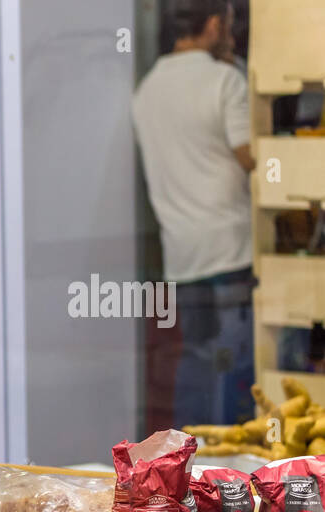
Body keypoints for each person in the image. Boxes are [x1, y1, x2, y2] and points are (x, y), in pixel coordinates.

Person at [132, 0, 256, 430]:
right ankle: (234, 484)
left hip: (182, 256)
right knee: (235, 377)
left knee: (196, 369)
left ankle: (189, 472)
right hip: (233, 254)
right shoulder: (225, 80)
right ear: (214, 23)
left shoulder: (147, 88)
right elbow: (251, 159)